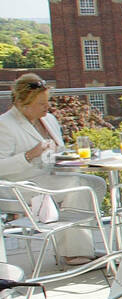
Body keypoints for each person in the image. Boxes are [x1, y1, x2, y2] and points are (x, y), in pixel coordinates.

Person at [0, 73, 107, 265]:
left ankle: (77, 245)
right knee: (77, 186)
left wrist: (71, 155)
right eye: (42, 104)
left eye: (47, 102)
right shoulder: (5, 125)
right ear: (23, 105)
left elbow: (58, 150)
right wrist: (28, 155)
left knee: (95, 183)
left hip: (50, 178)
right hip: (20, 186)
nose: (47, 107)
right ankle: (74, 252)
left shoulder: (48, 119)